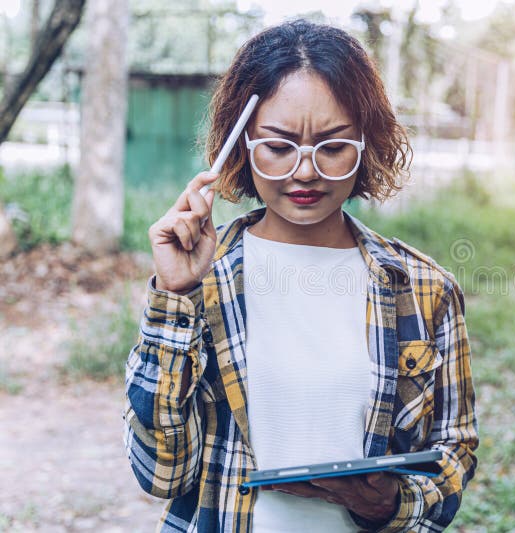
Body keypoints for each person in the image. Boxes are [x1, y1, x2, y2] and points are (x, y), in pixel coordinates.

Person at [123, 19, 478, 533]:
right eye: (280, 146)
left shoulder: (426, 290)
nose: (306, 172)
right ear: (241, 145)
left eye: (333, 147)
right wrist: (175, 297)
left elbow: (455, 453)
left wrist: (389, 502)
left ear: (366, 143)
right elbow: (159, 473)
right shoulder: (200, 281)